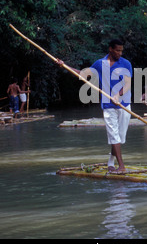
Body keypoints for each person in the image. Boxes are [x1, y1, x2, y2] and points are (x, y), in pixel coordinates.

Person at [56, 39, 132, 174]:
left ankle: (110, 161)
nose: (120, 53)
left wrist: (118, 95)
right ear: (110, 49)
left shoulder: (126, 64)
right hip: (108, 105)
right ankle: (121, 166)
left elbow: (127, 84)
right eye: (117, 50)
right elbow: (83, 74)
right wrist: (64, 66)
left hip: (124, 104)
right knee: (114, 135)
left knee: (120, 136)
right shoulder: (100, 64)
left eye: (121, 50)